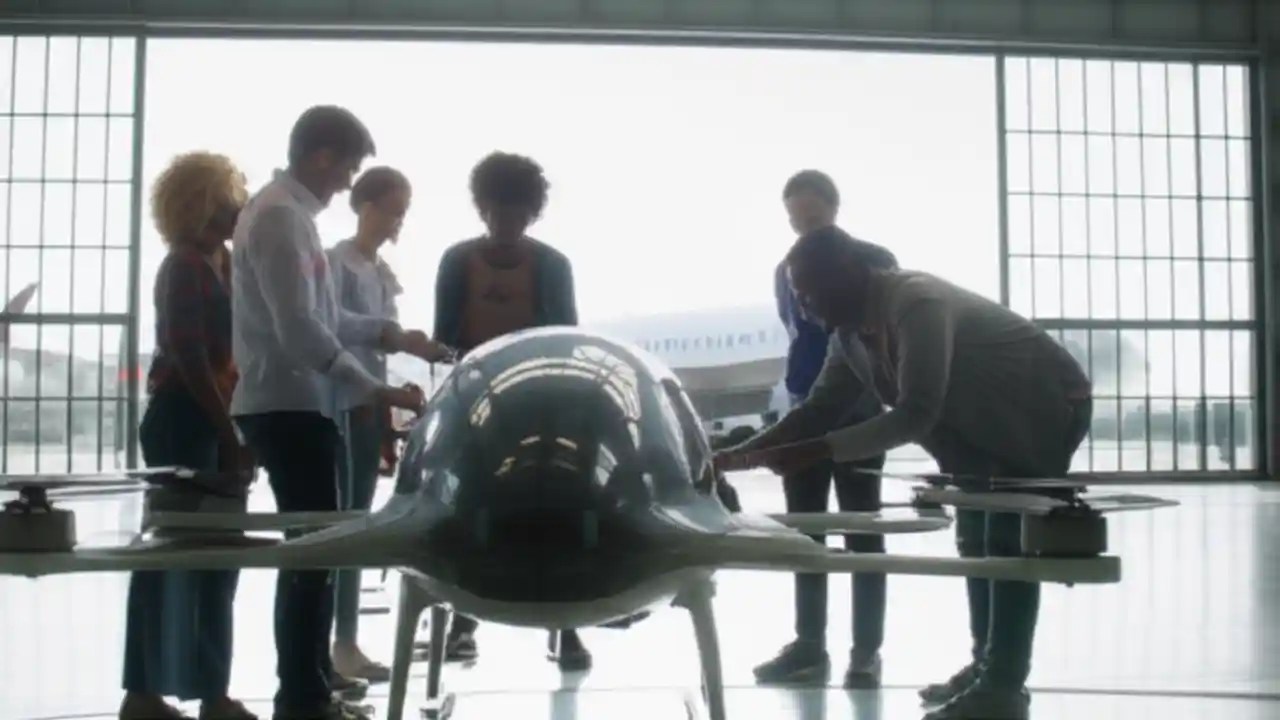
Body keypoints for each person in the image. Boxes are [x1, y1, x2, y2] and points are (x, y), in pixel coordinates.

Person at [716, 227, 1093, 720]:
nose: (807, 310)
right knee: (976, 536)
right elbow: (819, 409)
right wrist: (736, 456)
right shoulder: (849, 336)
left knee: (1004, 535)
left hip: (1042, 404)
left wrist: (820, 450)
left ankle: (1003, 687)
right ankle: (987, 667)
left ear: (847, 275)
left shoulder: (916, 303)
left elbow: (917, 412)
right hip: (978, 423)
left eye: (810, 294)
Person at [230, 105, 449, 720]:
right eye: (349, 168)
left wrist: (391, 337)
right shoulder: (280, 217)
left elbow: (325, 320)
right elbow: (301, 332)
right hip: (289, 405)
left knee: (315, 556)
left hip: (297, 403)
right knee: (313, 558)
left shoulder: (287, 213)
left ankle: (309, 689)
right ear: (323, 156)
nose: (348, 184)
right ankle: (302, 700)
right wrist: (375, 390)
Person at [428, 150, 589, 671]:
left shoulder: (553, 265)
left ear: (532, 213)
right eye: (497, 212)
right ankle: (462, 623)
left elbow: (566, 339)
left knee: (558, 505)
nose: (505, 224)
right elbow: (444, 340)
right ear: (482, 207)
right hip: (476, 405)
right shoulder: (456, 262)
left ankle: (566, 627)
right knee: (467, 504)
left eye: (517, 214)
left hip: (541, 404)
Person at [119, 151, 256, 720]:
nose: (238, 211)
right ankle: (148, 693)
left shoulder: (222, 262)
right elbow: (189, 356)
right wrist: (226, 431)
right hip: (185, 417)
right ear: (203, 204)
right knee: (174, 555)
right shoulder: (183, 266)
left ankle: (206, 689)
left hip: (214, 415)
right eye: (229, 202)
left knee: (217, 560)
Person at [746, 171, 895, 688]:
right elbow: (800, 340)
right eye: (794, 220)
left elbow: (879, 344)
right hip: (805, 409)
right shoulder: (783, 270)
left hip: (859, 414)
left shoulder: (876, 260)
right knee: (804, 535)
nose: (802, 229)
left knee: (864, 533)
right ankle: (809, 645)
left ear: (834, 209)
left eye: (811, 218)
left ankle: (866, 651)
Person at [326, 166, 413, 683]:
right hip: (341, 401)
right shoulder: (338, 264)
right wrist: (390, 335)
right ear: (365, 206)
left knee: (357, 522)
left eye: (403, 211)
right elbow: (331, 327)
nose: (398, 219)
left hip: (369, 402)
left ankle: (345, 641)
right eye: (392, 208)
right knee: (340, 523)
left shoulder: (379, 272)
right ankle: (334, 643)